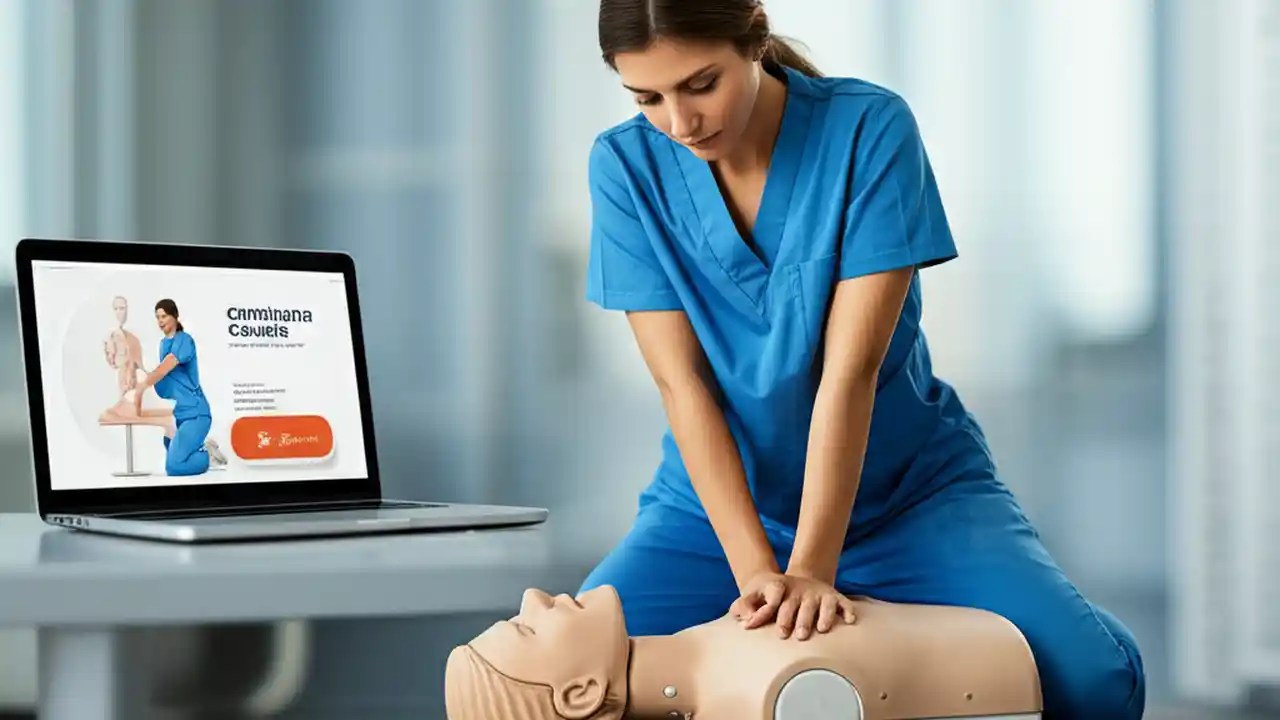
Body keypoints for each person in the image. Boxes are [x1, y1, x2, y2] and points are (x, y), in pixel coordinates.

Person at [576, 1, 1145, 718]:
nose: (680, 123)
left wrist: (811, 570)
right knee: (577, 681)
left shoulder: (868, 129)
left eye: (700, 84)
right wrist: (759, 574)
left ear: (753, 35)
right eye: (647, 97)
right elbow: (681, 384)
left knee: (1090, 680)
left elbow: (851, 377)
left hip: (910, 499)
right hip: (713, 513)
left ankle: (1065, 621)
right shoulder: (625, 165)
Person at [444, 585, 1043, 720]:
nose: (531, 597)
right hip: (1000, 659)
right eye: (525, 629)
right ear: (580, 695)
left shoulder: (707, 655)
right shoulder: (766, 693)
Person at [134, 299, 228, 476]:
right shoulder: (163, 344)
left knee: (174, 466)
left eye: (164, 316)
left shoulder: (185, 340)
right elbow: (165, 380)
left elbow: (166, 366)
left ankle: (208, 455)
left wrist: (143, 384)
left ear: (175, 317)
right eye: (157, 317)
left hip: (196, 413)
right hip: (179, 414)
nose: (160, 321)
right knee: (169, 446)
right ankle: (198, 447)